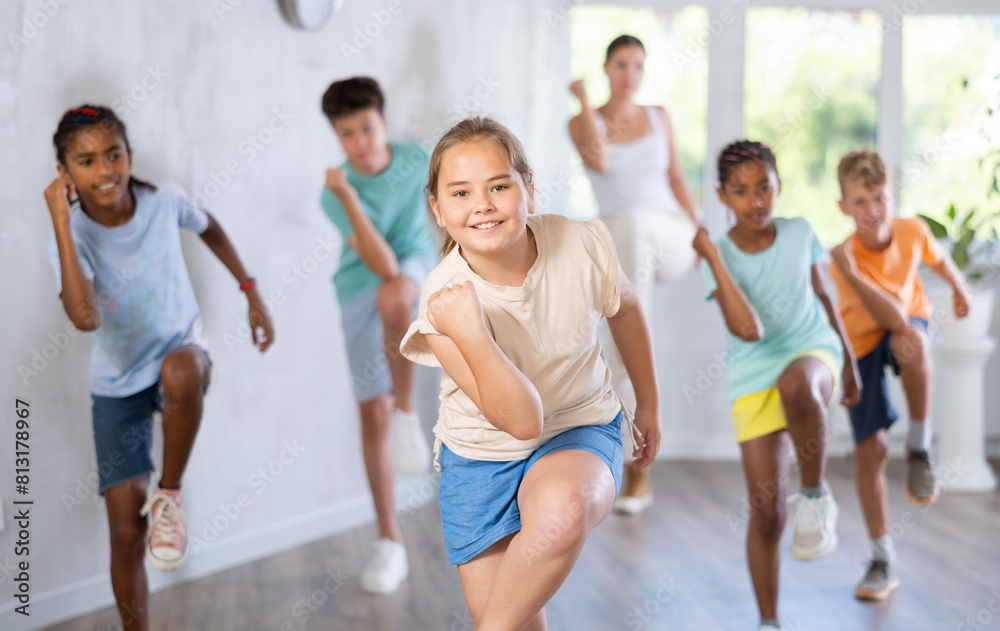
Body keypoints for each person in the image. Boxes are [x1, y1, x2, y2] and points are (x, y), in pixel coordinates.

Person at [400, 116, 660, 631]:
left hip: (577, 426)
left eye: (499, 185)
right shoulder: (441, 299)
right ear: (438, 208)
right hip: (479, 458)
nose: (483, 204)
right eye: (461, 192)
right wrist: (471, 332)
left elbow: (625, 308)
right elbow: (518, 419)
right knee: (518, 623)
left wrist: (648, 402)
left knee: (562, 511)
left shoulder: (580, 243)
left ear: (529, 189)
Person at [45, 105, 274, 631]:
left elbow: (210, 228)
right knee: (125, 532)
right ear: (65, 174)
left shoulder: (164, 199)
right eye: (85, 160)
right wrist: (61, 219)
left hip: (181, 352)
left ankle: (168, 498)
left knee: (181, 372)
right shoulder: (70, 233)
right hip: (117, 381)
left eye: (113, 154)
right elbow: (83, 318)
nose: (104, 170)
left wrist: (251, 292)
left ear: (129, 155)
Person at [692, 140, 859, 631]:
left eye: (765, 187)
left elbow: (825, 296)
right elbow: (748, 330)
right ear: (724, 197)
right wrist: (712, 256)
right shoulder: (714, 255)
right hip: (752, 373)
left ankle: (815, 496)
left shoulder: (800, 231)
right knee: (766, 516)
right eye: (741, 191)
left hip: (811, 352)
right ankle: (769, 621)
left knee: (797, 384)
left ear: (779, 186)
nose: (756, 201)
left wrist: (849, 362)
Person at [828, 148, 970, 601]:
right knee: (871, 451)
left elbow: (939, 260)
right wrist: (850, 271)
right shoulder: (843, 257)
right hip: (862, 341)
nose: (872, 211)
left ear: (892, 195)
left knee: (912, 340)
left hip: (906, 326)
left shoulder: (912, 230)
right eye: (860, 202)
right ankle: (880, 556)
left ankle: (920, 448)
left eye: (879, 198)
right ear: (843, 207)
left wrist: (960, 286)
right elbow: (888, 315)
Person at [568, 34, 699, 514]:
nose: (630, 74)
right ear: (606, 68)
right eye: (622, 64)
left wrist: (701, 233)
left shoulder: (659, 116)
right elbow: (598, 158)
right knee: (622, 229)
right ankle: (633, 469)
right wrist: (584, 100)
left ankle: (635, 466)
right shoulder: (579, 122)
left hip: (672, 236)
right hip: (623, 245)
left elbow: (677, 180)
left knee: (637, 225)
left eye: (638, 65)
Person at [319, 76, 437, 594]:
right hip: (356, 285)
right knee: (371, 413)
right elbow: (377, 261)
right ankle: (390, 541)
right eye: (347, 134)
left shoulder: (417, 159)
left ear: (383, 122)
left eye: (367, 128)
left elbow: (401, 265)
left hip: (410, 269)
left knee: (396, 295)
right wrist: (345, 195)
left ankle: (408, 412)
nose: (360, 143)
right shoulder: (334, 191)